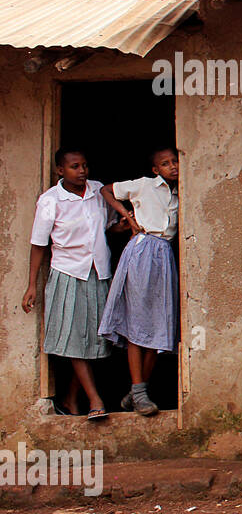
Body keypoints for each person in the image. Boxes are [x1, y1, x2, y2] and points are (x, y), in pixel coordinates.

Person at [24, 148, 116, 418]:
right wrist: (32, 284)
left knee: (94, 341)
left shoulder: (98, 192)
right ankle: (95, 400)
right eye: (75, 166)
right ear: (60, 171)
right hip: (69, 273)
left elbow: (108, 226)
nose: (82, 171)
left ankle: (70, 399)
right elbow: (39, 245)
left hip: (98, 273)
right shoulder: (51, 201)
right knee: (76, 340)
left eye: (85, 165)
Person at [98, 146, 181, 418]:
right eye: (165, 164)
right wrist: (127, 215)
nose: (173, 166)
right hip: (143, 251)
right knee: (137, 324)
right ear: (156, 169)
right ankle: (140, 391)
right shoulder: (143, 185)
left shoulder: (181, 191)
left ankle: (137, 391)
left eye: (175, 161)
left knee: (158, 328)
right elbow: (106, 190)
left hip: (164, 255)